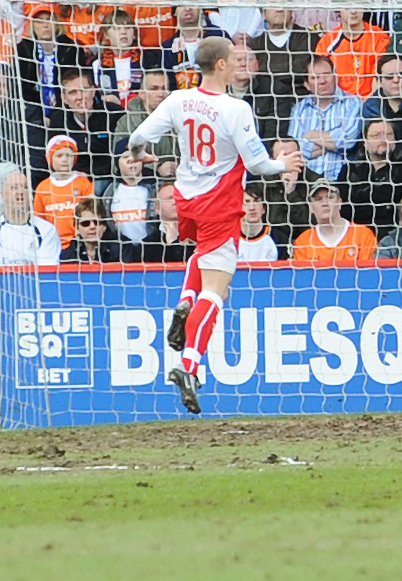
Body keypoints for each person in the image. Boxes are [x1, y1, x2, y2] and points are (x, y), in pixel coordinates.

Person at [128, 35, 304, 414]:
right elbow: (258, 165)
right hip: (219, 205)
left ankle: (184, 303)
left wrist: (142, 155)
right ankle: (188, 364)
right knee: (218, 291)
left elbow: (138, 138)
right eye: (235, 58)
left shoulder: (178, 99)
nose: (240, 63)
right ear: (220, 65)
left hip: (186, 200)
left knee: (201, 258)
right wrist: (283, 166)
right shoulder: (236, 109)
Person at [0, 171, 63, 269]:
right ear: (3, 195)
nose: (20, 192)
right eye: (14, 188)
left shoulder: (47, 230)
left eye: (25, 187)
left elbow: (48, 272)